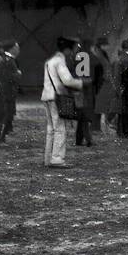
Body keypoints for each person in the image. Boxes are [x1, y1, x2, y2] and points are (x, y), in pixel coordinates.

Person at [42, 37, 84, 167]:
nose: (72, 53)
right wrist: (81, 83)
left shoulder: (49, 61)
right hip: (56, 97)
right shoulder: (60, 61)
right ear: (66, 50)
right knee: (60, 128)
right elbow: (67, 80)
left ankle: (48, 158)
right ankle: (57, 158)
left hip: (46, 96)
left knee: (51, 129)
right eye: (71, 50)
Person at [0, 42, 22, 147]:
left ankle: (1, 138)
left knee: (5, 116)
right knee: (4, 116)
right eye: (17, 48)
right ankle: (0, 139)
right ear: (12, 49)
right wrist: (18, 74)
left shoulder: (6, 59)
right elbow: (6, 77)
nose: (18, 50)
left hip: (6, 93)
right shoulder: (8, 60)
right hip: (6, 93)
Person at [73, 38, 97, 147]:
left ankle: (80, 139)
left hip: (80, 89)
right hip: (85, 90)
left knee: (82, 116)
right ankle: (88, 140)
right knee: (85, 115)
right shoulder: (86, 56)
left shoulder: (78, 55)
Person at [92, 36, 115, 136]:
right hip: (99, 82)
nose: (108, 47)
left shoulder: (100, 53)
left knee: (100, 105)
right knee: (98, 105)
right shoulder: (99, 54)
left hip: (101, 82)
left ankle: (98, 126)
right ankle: (96, 127)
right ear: (102, 45)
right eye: (106, 45)